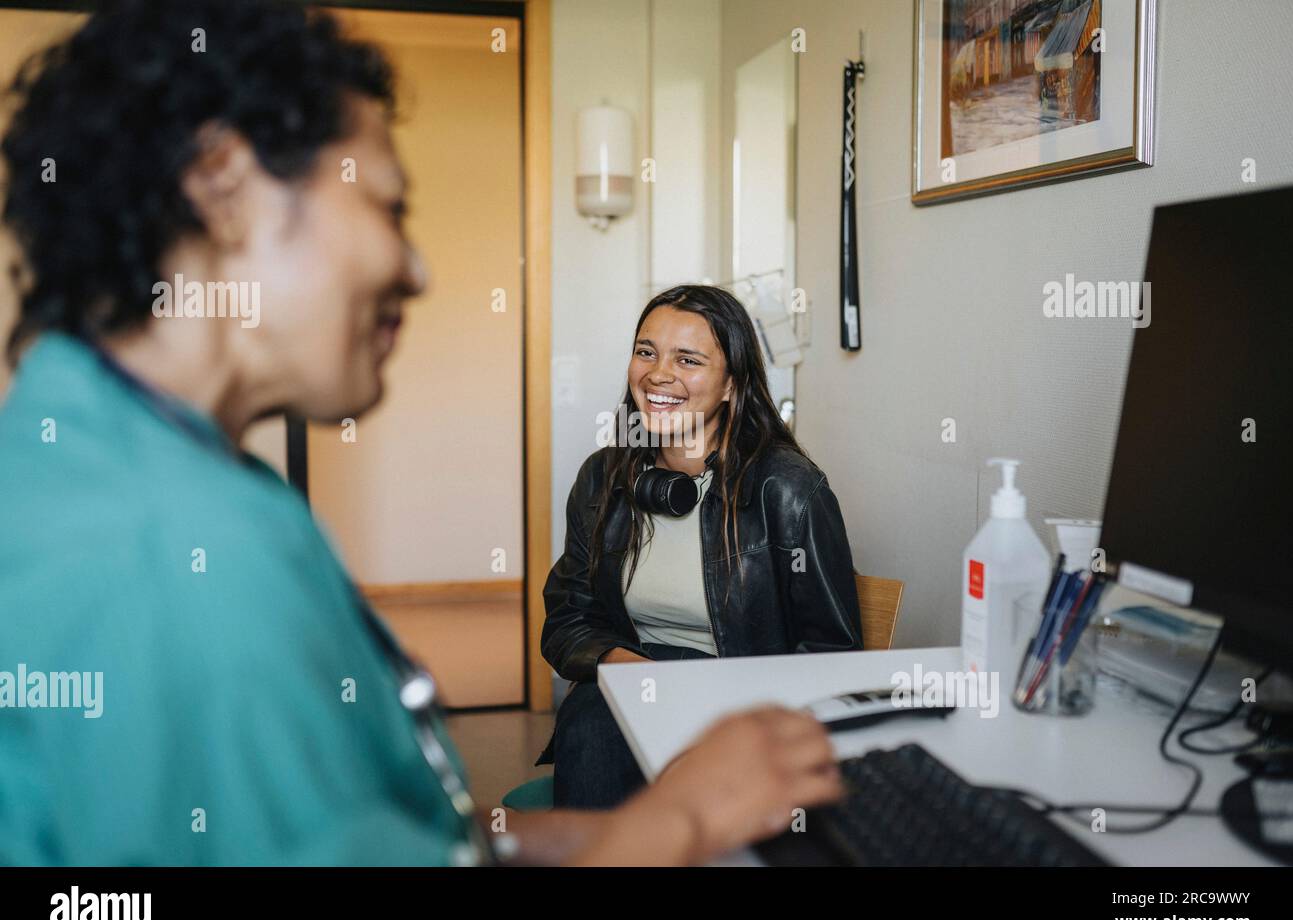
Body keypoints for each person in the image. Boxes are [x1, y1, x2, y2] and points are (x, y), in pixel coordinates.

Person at [0, 0, 842, 866]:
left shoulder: (108, 468)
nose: (416, 267)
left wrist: (615, 828)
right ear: (226, 187)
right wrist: (683, 821)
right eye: (389, 209)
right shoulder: (165, 548)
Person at [540, 285, 862, 809]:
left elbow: (832, 653)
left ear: (732, 383)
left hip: (745, 703)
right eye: (646, 352)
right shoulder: (603, 478)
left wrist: (722, 706)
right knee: (593, 721)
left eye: (687, 360)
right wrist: (634, 674)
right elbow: (567, 621)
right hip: (633, 687)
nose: (658, 374)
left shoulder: (788, 490)